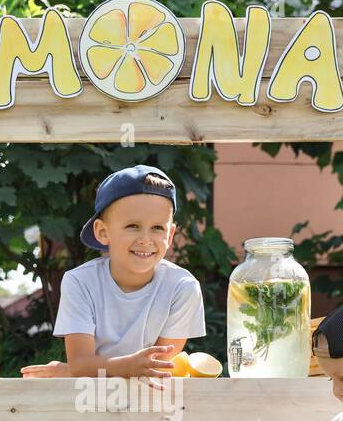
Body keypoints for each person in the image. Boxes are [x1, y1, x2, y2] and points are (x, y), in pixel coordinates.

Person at [20, 164, 205, 388]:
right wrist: (80, 369)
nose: (146, 239)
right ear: (102, 232)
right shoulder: (80, 282)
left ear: (171, 233)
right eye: (133, 226)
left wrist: (71, 371)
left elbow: (155, 368)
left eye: (157, 227)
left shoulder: (183, 287)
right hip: (88, 401)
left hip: (153, 403)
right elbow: (81, 363)